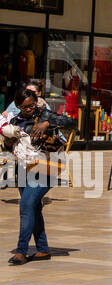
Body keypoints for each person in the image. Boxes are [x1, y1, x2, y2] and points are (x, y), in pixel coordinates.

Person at [5, 90, 55, 265]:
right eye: (24, 106)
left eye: (31, 105)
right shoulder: (14, 122)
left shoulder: (46, 114)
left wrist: (46, 123)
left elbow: (72, 124)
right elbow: (7, 146)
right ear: (18, 106)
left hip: (46, 168)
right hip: (23, 168)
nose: (28, 109)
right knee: (33, 208)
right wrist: (9, 141)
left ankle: (21, 251)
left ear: (36, 102)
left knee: (26, 205)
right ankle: (42, 249)